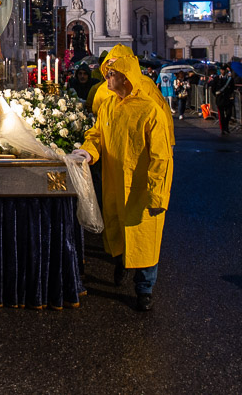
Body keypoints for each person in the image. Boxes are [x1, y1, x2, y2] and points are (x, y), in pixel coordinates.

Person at [70, 55, 174, 312]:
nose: (106, 79)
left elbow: (162, 157)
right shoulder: (109, 107)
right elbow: (97, 136)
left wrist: (157, 194)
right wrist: (87, 152)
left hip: (141, 189)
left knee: (144, 239)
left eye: (111, 74)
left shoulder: (150, 110)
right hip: (115, 184)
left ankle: (144, 289)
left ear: (125, 76)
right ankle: (121, 262)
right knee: (117, 231)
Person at [212, 65, 235, 135]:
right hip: (220, 99)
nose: (223, 71)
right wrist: (216, 95)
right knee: (221, 115)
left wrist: (229, 94)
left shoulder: (230, 79)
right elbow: (213, 88)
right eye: (222, 70)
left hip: (227, 98)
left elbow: (232, 88)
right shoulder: (216, 78)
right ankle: (223, 129)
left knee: (228, 114)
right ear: (220, 71)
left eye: (224, 70)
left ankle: (226, 126)